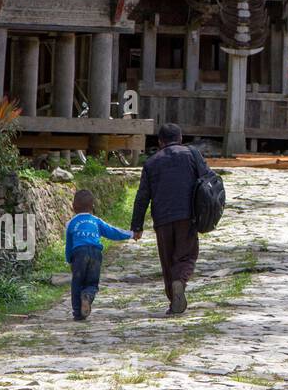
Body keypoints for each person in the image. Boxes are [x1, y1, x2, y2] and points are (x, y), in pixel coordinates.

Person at [131, 123, 204, 315]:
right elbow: (208, 181)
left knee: (167, 261)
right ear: (180, 139)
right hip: (187, 215)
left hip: (162, 219)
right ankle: (180, 281)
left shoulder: (151, 162)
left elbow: (142, 196)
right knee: (187, 255)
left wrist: (137, 225)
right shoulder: (192, 155)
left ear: (160, 142)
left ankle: (174, 301)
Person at [65, 189, 132, 321]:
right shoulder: (96, 221)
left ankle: (78, 313)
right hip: (96, 253)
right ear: (93, 207)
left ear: (73, 207)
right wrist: (130, 234)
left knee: (77, 283)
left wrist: (69, 259)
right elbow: (113, 232)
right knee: (92, 282)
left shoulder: (71, 223)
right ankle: (88, 296)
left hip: (79, 254)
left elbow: (69, 244)